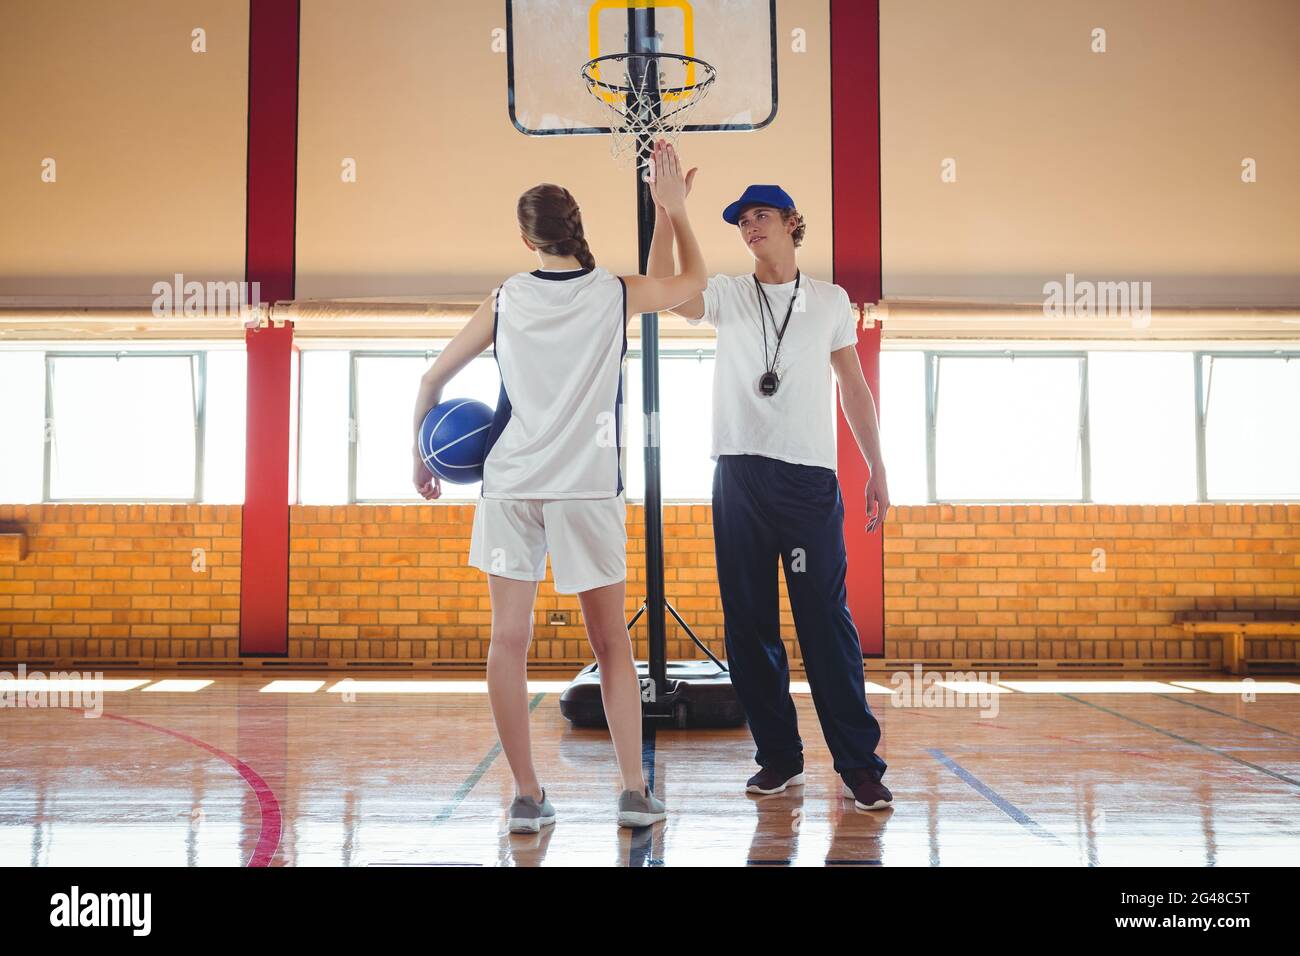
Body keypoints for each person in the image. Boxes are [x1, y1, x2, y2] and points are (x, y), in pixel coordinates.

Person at [411, 145, 707, 831]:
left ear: (525, 239)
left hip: (511, 485)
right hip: (585, 488)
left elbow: (430, 381)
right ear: (578, 224)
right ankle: (633, 792)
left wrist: (419, 457)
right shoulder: (614, 294)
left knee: (506, 642)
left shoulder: (507, 297)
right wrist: (676, 210)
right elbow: (689, 280)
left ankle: (525, 797)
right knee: (611, 646)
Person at [647, 145, 894, 811]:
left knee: (825, 626)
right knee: (748, 625)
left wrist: (875, 465)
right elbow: (662, 291)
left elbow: (854, 389)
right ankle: (780, 759)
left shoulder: (831, 301)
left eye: (760, 216)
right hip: (738, 477)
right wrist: (668, 214)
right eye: (739, 221)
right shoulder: (728, 294)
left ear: (791, 222)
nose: (749, 227)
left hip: (809, 481)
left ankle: (860, 765)